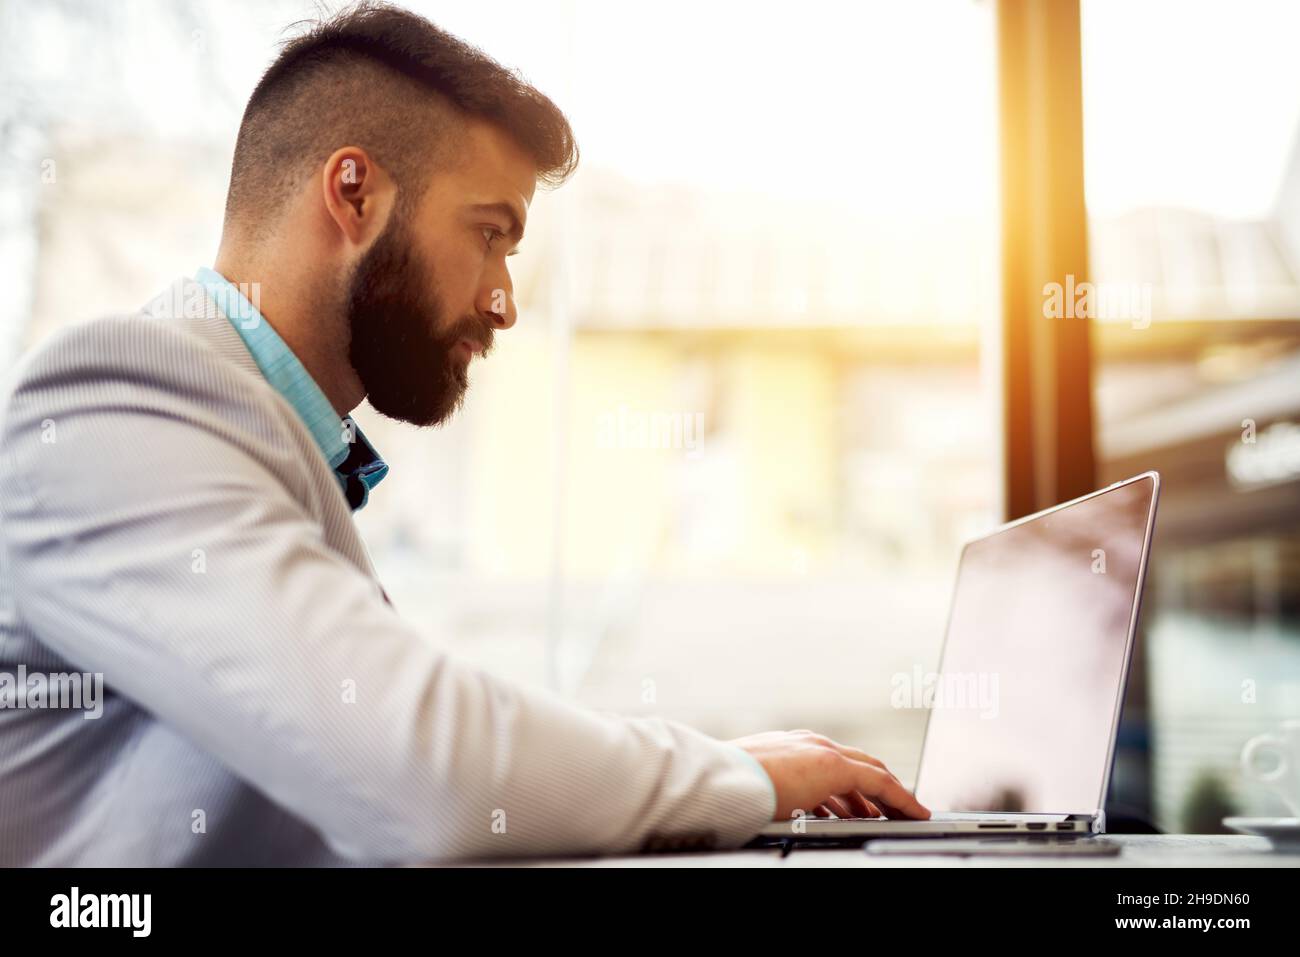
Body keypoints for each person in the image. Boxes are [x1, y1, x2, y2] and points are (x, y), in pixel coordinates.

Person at [0, 1, 928, 865]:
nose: (505, 302)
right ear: (354, 194)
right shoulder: (114, 395)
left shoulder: (253, 432)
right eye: (491, 235)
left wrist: (724, 771)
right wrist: (742, 779)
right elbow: (427, 771)